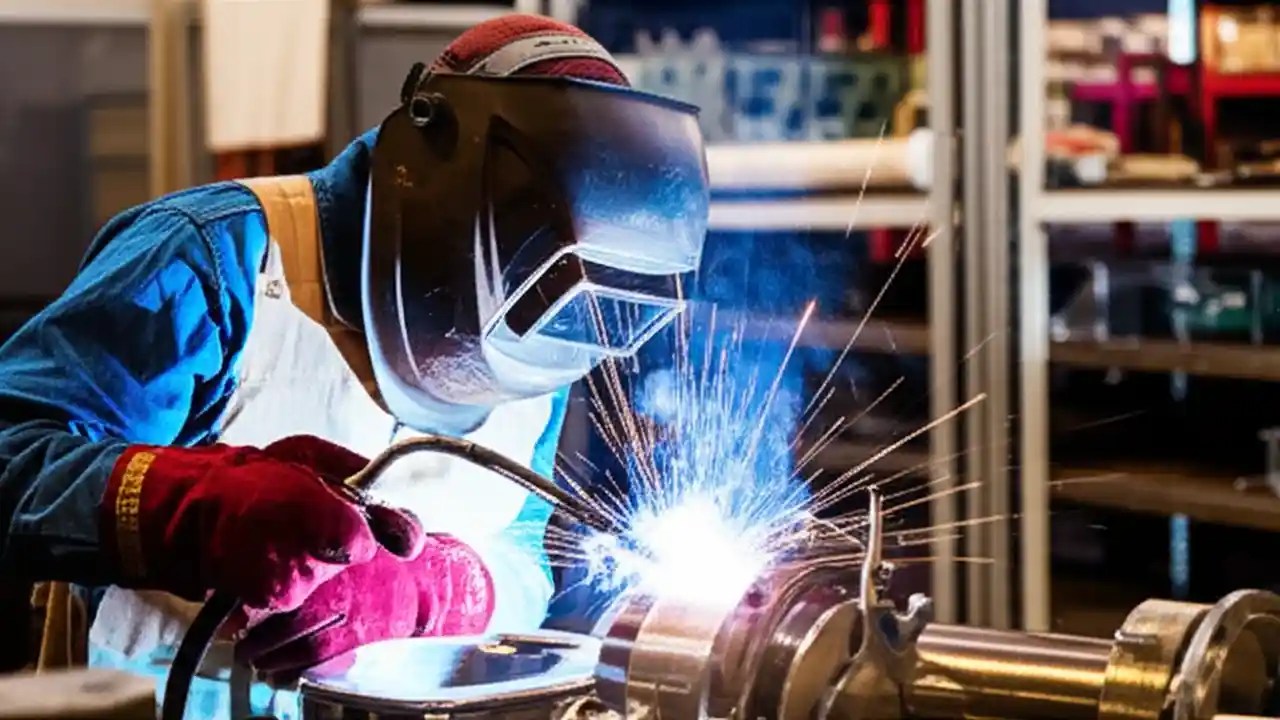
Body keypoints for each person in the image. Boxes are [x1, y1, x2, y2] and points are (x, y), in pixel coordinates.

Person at [0, 13, 709, 717]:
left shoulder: (555, 334)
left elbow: (522, 552)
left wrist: (431, 592)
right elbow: (13, 455)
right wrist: (191, 508)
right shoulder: (218, 258)